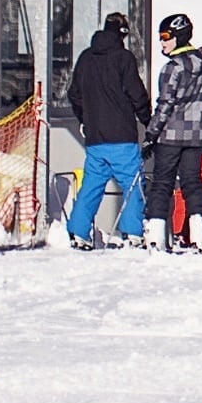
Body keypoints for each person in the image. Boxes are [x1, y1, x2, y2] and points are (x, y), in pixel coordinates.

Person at [64, 14, 150, 248]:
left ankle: (78, 231)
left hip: (95, 137)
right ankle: (133, 233)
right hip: (122, 135)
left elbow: (74, 94)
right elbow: (136, 94)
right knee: (132, 184)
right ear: (122, 33)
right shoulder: (124, 58)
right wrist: (149, 121)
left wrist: (85, 119)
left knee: (92, 185)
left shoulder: (86, 58)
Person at [148, 15, 202, 250]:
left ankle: (156, 237)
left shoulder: (172, 67)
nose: (162, 43)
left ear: (178, 37)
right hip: (194, 135)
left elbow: (165, 104)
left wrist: (151, 134)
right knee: (193, 183)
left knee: (162, 183)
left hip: (170, 135)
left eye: (165, 37)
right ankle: (200, 236)